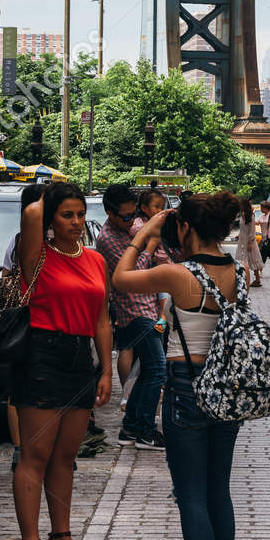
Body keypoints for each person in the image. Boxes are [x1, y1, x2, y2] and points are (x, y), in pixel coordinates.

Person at [112, 189, 248, 540]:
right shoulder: (239, 271)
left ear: (185, 227)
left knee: (191, 494)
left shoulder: (177, 274)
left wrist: (144, 234)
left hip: (188, 386)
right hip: (227, 388)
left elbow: (120, 278)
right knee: (218, 491)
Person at [11, 181, 112, 540]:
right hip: (41, 353)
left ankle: (61, 537)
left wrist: (106, 369)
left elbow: (102, 319)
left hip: (79, 356)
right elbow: (30, 213)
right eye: (67, 214)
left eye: (81, 214)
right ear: (51, 218)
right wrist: (48, 194)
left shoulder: (95, 259)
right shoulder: (36, 255)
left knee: (66, 457)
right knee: (34, 455)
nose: (76, 222)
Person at [95, 183, 168, 449]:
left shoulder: (130, 227)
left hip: (147, 305)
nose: (131, 220)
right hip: (134, 309)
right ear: (110, 213)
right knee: (157, 369)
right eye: (126, 217)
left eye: (133, 214)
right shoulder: (107, 239)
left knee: (149, 370)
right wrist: (150, 244)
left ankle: (130, 428)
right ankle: (145, 431)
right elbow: (133, 272)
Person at [235, 195, 262, 288]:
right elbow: (243, 228)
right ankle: (243, 279)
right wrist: (239, 234)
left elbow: (252, 230)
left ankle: (257, 279)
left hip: (249, 241)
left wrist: (250, 242)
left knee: (252, 259)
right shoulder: (243, 215)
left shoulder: (251, 216)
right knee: (242, 259)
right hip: (242, 241)